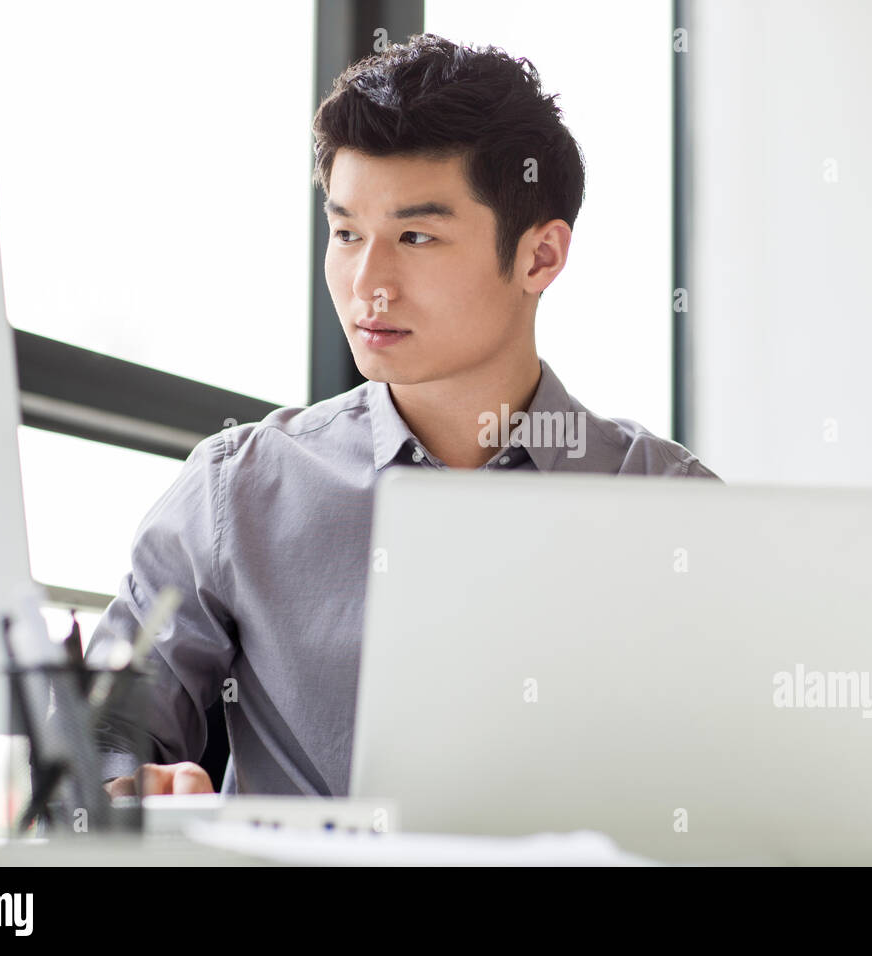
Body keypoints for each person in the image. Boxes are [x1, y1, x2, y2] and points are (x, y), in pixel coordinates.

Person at [93, 32, 721, 800]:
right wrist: (125, 786)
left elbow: (748, 765)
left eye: (415, 236)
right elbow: (104, 725)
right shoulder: (240, 488)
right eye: (347, 232)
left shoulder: (669, 502)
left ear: (540, 257)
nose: (367, 284)